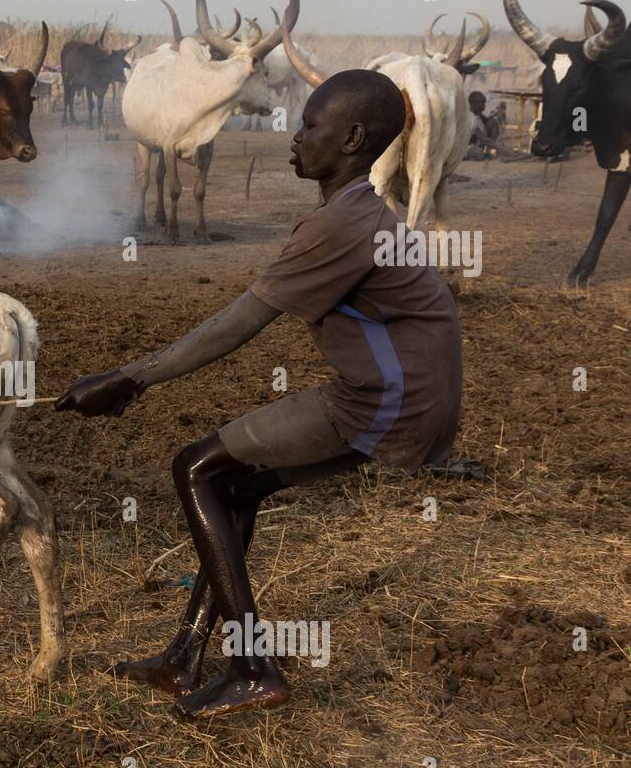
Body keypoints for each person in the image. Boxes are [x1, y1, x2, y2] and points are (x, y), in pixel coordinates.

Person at [57, 70, 463, 721]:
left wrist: (127, 378)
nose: (294, 137)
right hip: (417, 391)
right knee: (235, 483)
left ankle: (253, 668)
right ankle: (186, 656)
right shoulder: (352, 213)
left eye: (309, 126)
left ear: (353, 137)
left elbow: (235, 325)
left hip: (393, 397)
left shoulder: (339, 226)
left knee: (195, 466)